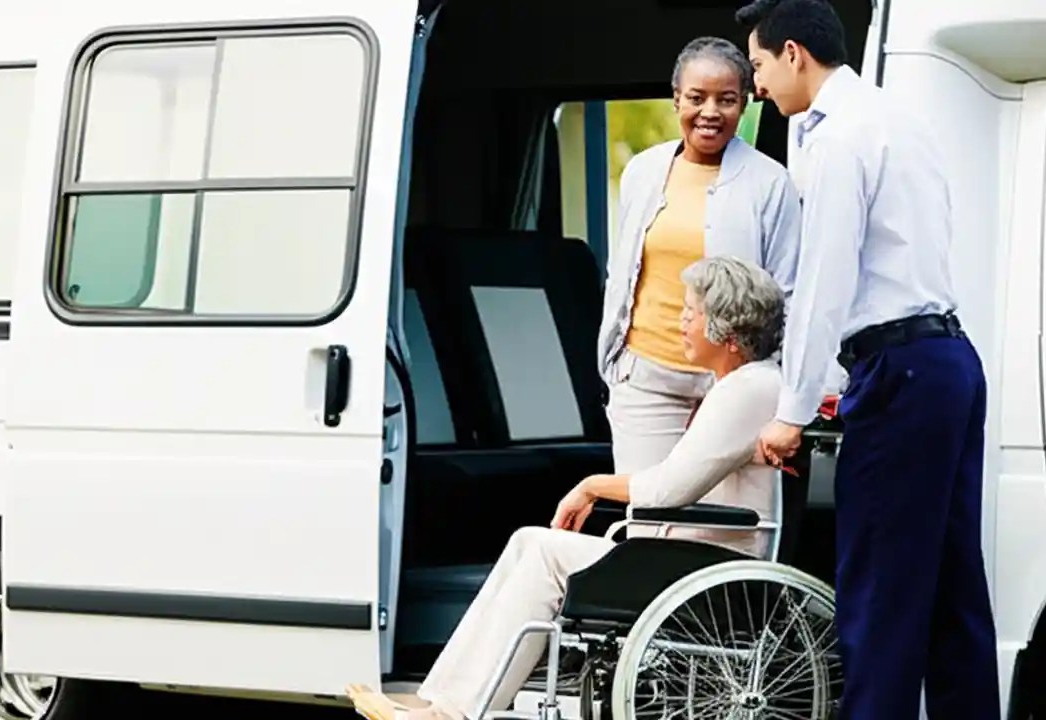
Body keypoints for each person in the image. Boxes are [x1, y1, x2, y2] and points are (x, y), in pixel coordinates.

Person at [348, 255, 788, 720]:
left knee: (542, 551)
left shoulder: (747, 390)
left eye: (691, 312)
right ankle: (442, 704)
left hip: (710, 572)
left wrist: (591, 486)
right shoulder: (742, 385)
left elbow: (666, 490)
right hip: (694, 559)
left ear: (727, 329)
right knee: (528, 540)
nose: (680, 320)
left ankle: (452, 713)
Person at [738, 1, 1001, 718]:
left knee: (879, 591)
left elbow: (827, 280)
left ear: (793, 53)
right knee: (953, 589)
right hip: (947, 361)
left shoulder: (836, 136)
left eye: (758, 66)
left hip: (900, 370)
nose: (757, 86)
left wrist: (792, 413)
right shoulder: (898, 119)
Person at [597, 35, 800, 476]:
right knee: (650, 522)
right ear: (676, 101)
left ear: (744, 104)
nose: (710, 112)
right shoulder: (642, 171)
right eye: (696, 98)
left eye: (726, 100)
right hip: (645, 379)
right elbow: (623, 272)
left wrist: (778, 395)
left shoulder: (771, 183)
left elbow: (787, 293)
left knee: (721, 529)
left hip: (732, 386)